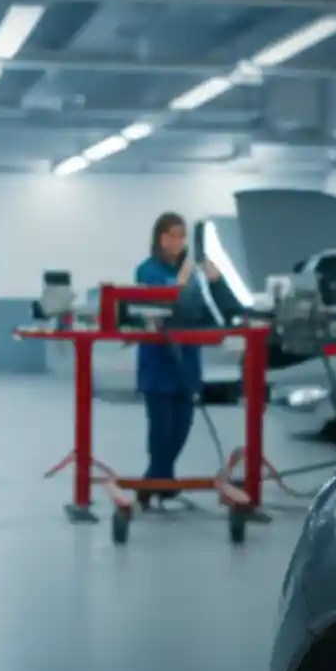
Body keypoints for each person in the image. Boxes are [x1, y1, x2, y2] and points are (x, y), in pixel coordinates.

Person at [135, 212, 219, 508]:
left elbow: (208, 307)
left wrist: (214, 280)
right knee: (161, 428)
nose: (177, 241)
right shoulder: (147, 271)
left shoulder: (193, 271)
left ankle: (156, 481)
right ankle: (158, 480)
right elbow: (164, 300)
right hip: (160, 361)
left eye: (182, 236)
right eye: (172, 235)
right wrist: (183, 279)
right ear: (160, 238)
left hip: (187, 359)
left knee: (183, 426)